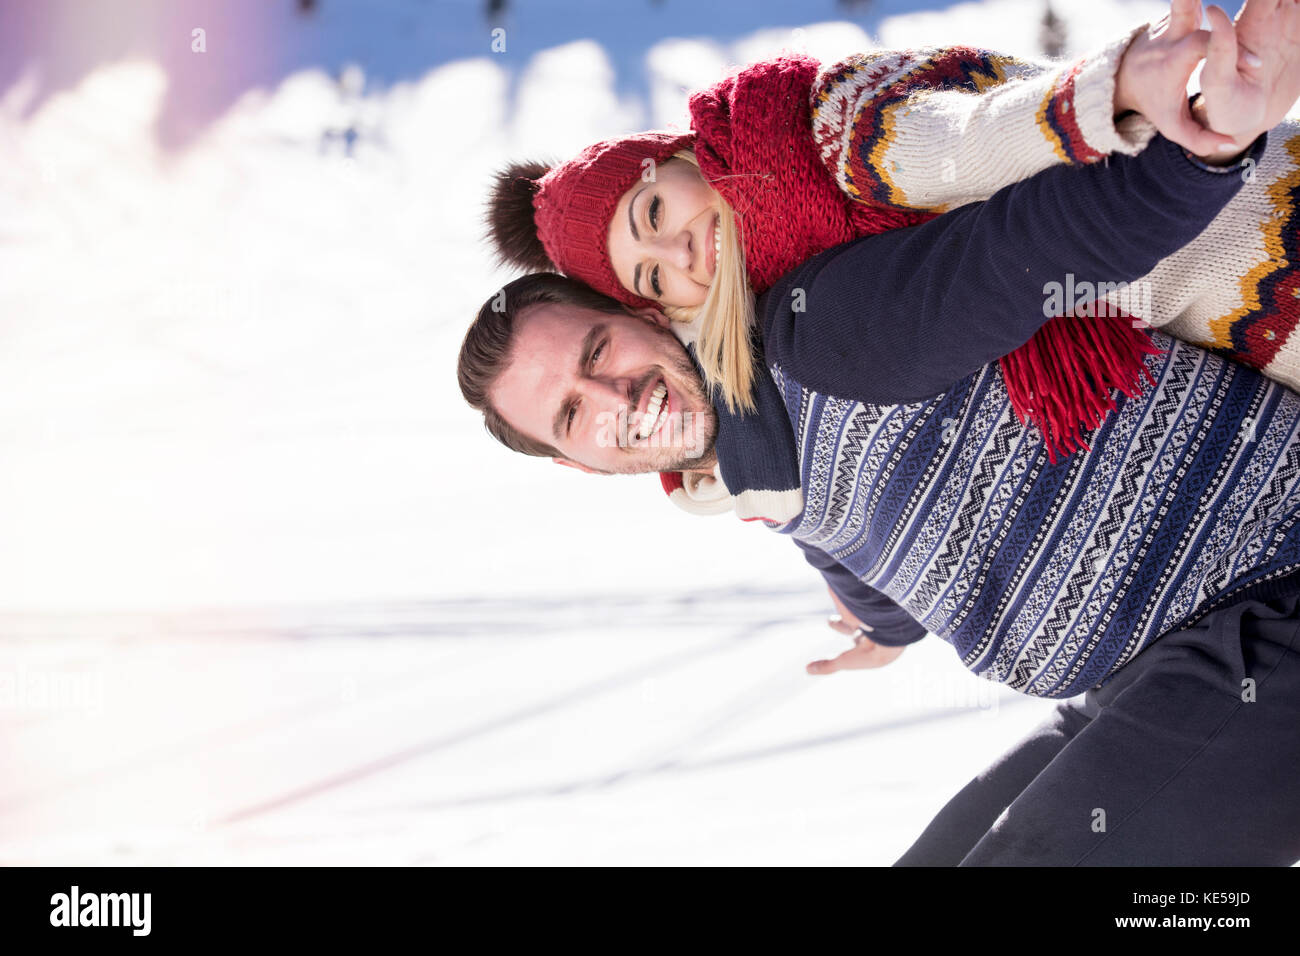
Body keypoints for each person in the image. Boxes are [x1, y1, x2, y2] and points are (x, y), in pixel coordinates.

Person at [458, 59, 1300, 860]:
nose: (616, 400)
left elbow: (1030, 247)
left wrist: (1201, 151)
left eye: (598, 352)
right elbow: (827, 529)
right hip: (1156, 660)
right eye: (574, 413)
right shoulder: (750, 470)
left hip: (1264, 592)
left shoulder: (819, 335)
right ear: (577, 464)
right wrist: (886, 623)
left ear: (644, 319)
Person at [485, 0, 1300, 463]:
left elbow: (964, 138)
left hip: (1261, 216)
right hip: (1252, 330)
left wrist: (1108, 92)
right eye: (653, 278)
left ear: (678, 157)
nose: (678, 252)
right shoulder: (796, 300)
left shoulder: (828, 128)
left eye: (653, 215)